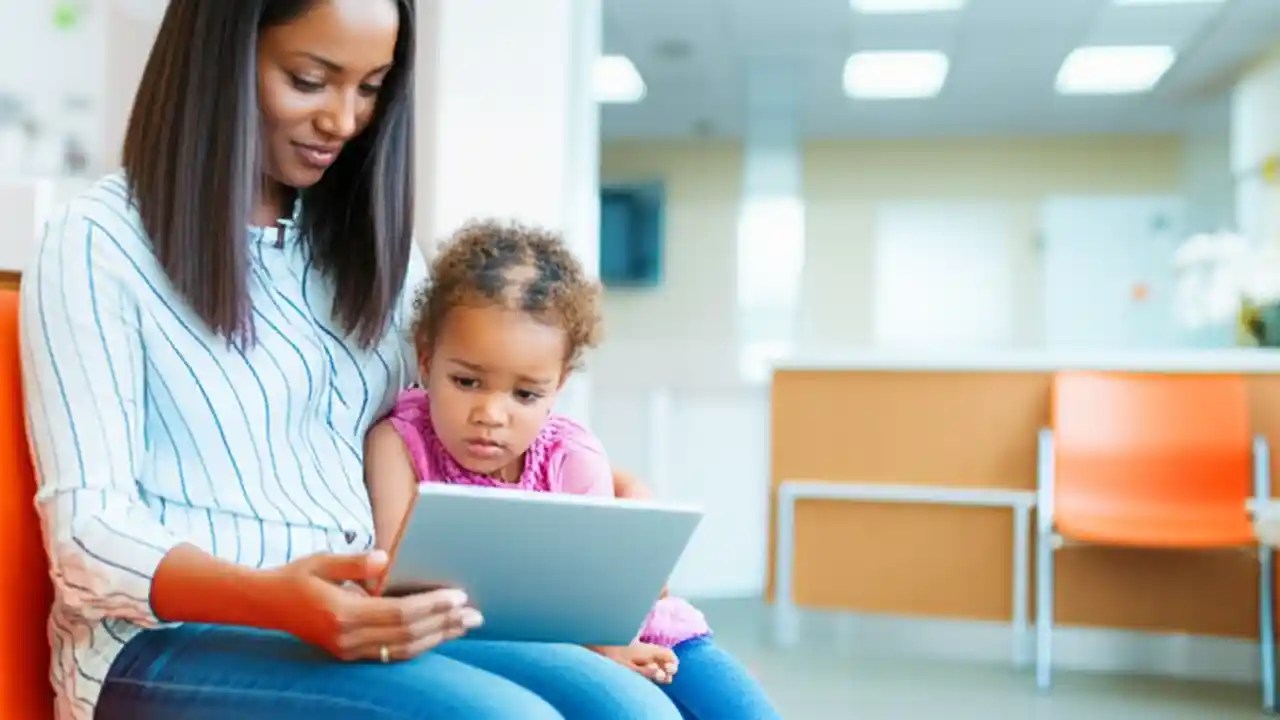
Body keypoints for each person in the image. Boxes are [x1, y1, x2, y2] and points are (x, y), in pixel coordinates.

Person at [20, 1, 680, 718]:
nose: (343, 120)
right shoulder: (97, 243)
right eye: (310, 80)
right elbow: (87, 535)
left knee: (632, 709)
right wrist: (278, 600)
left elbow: (440, 425)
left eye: (369, 88)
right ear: (219, 61)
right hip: (168, 641)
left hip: (371, 609)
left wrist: (603, 498)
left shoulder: (376, 252)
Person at [365, 219, 783, 720]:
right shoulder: (398, 443)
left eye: (526, 394)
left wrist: (622, 615)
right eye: (467, 381)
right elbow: (397, 574)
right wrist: (600, 653)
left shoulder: (571, 453)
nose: (491, 415)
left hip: (633, 631)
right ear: (427, 358)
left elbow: (605, 591)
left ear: (557, 385)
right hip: (502, 641)